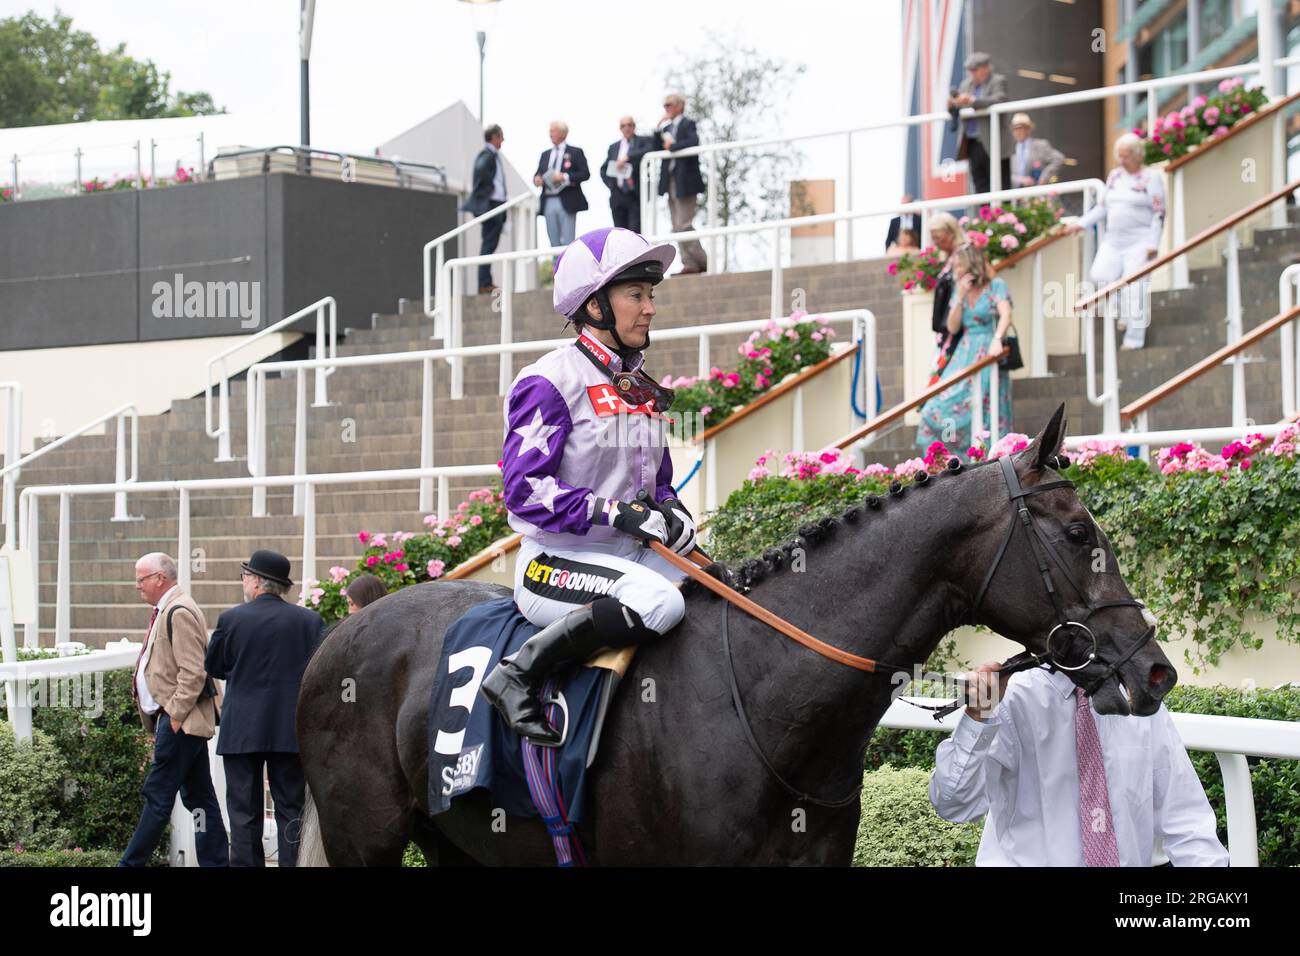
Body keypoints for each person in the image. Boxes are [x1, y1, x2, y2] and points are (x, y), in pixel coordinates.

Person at [480, 227, 696, 745]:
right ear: (595, 304)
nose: (650, 308)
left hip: (628, 555)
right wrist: (616, 513)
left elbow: (656, 483)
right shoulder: (550, 380)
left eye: (651, 296)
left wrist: (673, 513)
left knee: (722, 590)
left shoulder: (636, 385)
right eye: (636, 295)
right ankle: (518, 675)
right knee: (661, 604)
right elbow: (525, 490)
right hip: (552, 562)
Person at [928, 661, 1229, 866]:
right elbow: (954, 805)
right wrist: (979, 716)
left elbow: (1187, 823)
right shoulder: (1010, 697)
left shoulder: (1137, 697)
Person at [205, 549, 324, 867]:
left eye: (245, 576)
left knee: (243, 811)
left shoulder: (231, 619)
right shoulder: (310, 621)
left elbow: (214, 666)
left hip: (241, 727)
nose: (244, 582)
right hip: (289, 728)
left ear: (257, 581)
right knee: (290, 809)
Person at [119, 552, 228, 867]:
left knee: (157, 797)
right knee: (200, 800)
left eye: (141, 579)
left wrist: (176, 717)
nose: (137, 586)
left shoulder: (177, 610)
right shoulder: (168, 608)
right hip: (177, 721)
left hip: (179, 721)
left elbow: (193, 672)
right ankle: (217, 863)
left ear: (159, 578)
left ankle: (129, 865)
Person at [1063, 132, 1165, 350]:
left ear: (1138, 155)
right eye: (1119, 155)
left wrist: (1153, 244)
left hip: (1140, 239)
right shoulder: (1115, 176)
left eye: (1126, 155)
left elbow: (1159, 212)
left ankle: (1133, 339)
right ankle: (1124, 313)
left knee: (1135, 287)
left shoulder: (1152, 177)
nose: (1121, 160)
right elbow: (1102, 207)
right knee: (1100, 276)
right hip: (1114, 239)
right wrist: (1081, 223)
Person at [916, 244, 1012, 448]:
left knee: (987, 404)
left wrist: (997, 338)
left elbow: (1006, 314)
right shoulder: (959, 290)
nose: (956, 270)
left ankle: (987, 453)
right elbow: (952, 327)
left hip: (988, 349)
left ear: (972, 263)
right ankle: (952, 455)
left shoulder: (996, 285)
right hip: (964, 352)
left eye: (959, 265)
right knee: (936, 405)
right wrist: (959, 297)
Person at [656, 93, 708, 274]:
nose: (666, 109)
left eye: (669, 105)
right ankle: (689, 263)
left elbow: (693, 141)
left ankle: (702, 260)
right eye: (665, 106)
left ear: (679, 106)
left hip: (685, 182)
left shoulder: (688, 124)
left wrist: (673, 147)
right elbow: (654, 144)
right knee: (676, 226)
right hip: (670, 182)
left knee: (684, 224)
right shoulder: (667, 127)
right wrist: (658, 126)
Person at [950, 52, 1010, 197]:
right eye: (970, 70)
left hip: (993, 140)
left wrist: (973, 101)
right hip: (972, 142)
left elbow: (1000, 100)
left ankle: (1004, 217)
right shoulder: (966, 84)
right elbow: (959, 110)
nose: (972, 74)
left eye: (975, 70)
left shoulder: (997, 81)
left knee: (1001, 182)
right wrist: (953, 105)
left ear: (986, 68)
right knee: (980, 183)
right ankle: (985, 217)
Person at [462, 124, 509, 294]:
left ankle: (485, 281)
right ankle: (484, 283)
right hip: (492, 205)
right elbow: (481, 170)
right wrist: (490, 189)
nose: (503, 140)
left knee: (489, 244)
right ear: (494, 137)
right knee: (488, 244)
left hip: (496, 205)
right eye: (501, 136)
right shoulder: (487, 154)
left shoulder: (492, 155)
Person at [925, 212, 968, 383]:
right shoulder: (948, 258)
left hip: (958, 330)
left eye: (939, 238)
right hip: (947, 327)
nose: (937, 243)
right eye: (933, 238)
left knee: (943, 380)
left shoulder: (963, 254)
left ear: (951, 233)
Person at [534, 121, 590, 252]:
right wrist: (537, 179)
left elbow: (585, 174)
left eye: (553, 131)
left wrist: (564, 177)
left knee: (568, 241)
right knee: (553, 241)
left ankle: (568, 271)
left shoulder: (575, 152)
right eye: (550, 131)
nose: (550, 134)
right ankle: (556, 271)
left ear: (563, 133)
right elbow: (538, 173)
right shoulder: (545, 154)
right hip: (548, 200)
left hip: (567, 199)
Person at [602, 116, 652, 234]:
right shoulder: (613, 147)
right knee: (620, 234)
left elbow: (650, 149)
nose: (627, 128)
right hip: (617, 196)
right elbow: (603, 170)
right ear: (620, 128)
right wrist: (612, 185)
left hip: (635, 194)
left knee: (635, 233)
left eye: (630, 125)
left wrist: (628, 157)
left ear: (634, 127)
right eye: (623, 126)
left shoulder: (643, 141)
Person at [1008, 112, 1065, 188]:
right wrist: (1020, 180)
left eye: (1020, 128)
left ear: (1028, 129)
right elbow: (1005, 174)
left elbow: (1059, 159)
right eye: (1015, 129)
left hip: (1037, 193)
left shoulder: (1040, 145)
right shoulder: (1010, 150)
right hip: (1015, 195)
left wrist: (1044, 177)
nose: (1017, 132)